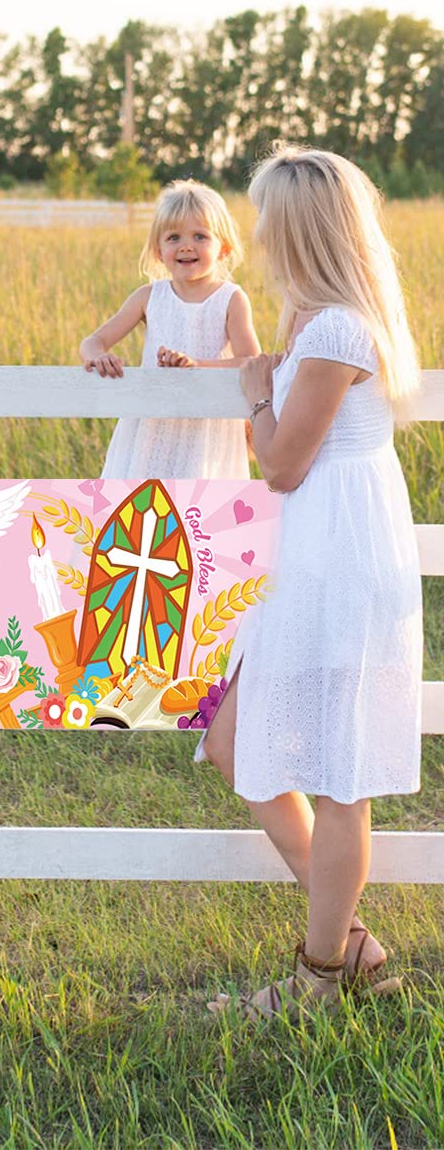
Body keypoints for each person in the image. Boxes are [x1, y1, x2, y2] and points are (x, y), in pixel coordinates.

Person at [197, 146, 422, 1017]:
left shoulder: (336, 328)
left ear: (299, 226)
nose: (253, 231)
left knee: (338, 775)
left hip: (337, 555)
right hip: (310, 551)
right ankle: (353, 943)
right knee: (229, 736)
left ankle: (315, 978)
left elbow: (283, 462)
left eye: (264, 215)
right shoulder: (320, 318)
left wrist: (255, 396)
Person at [78, 179, 260, 480]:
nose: (187, 246)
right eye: (173, 237)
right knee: (142, 508)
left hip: (206, 428)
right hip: (152, 427)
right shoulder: (149, 297)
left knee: (198, 512)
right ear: (159, 250)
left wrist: (197, 365)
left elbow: (251, 362)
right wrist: (97, 355)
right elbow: (94, 340)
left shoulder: (230, 299)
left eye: (200, 236)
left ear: (223, 248)